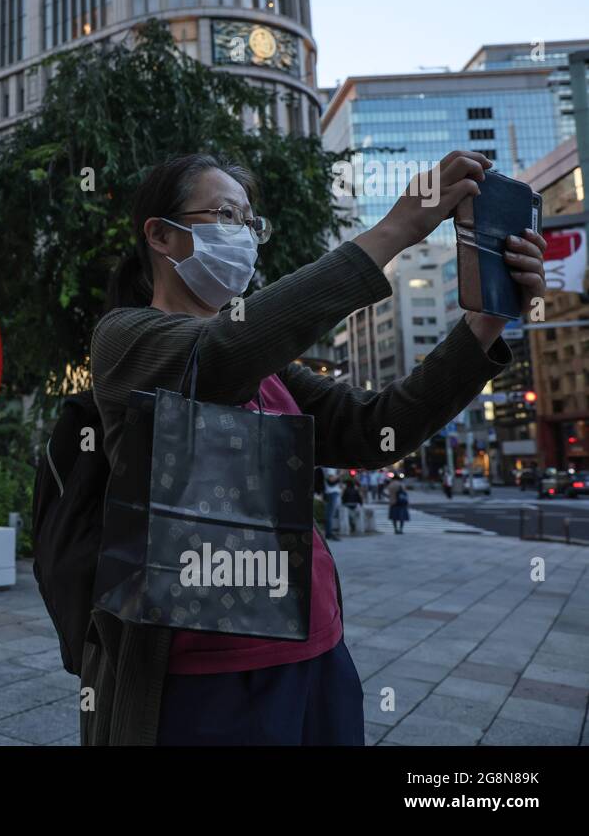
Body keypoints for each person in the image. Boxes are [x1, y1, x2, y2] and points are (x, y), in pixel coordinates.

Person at [85, 151, 545, 746]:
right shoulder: (125, 338)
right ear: (160, 234)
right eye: (226, 215)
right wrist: (398, 228)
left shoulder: (270, 368)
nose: (245, 236)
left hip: (319, 650)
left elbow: (379, 428)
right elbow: (225, 351)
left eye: (251, 223)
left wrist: (485, 322)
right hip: (208, 676)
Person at [322, 468, 343, 541]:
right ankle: (329, 534)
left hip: (331, 493)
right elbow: (331, 480)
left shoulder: (331, 468)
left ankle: (328, 533)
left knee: (329, 514)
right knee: (330, 515)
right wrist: (340, 474)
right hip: (332, 493)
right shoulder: (331, 468)